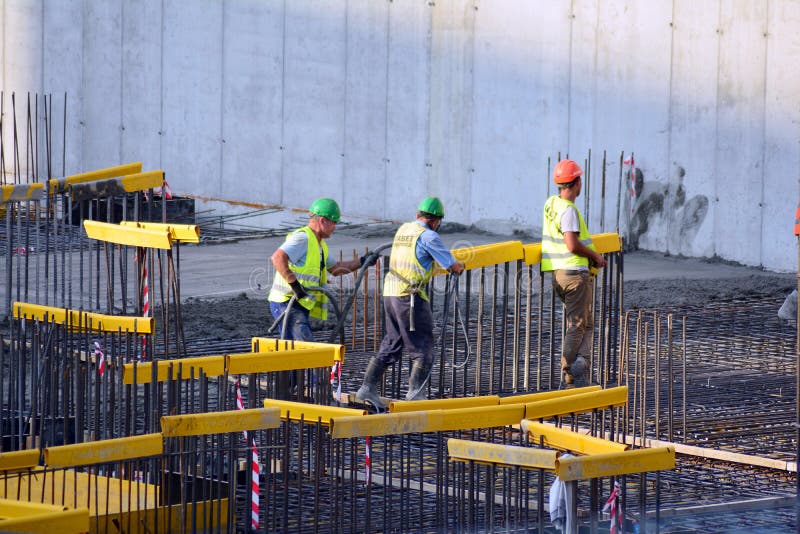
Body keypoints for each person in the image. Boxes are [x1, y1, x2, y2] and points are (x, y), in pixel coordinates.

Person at [356, 197, 465, 410]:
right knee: (422, 346)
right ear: (436, 221)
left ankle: (367, 388)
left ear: (418, 215)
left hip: (391, 293)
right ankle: (415, 394)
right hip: (410, 297)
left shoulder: (404, 230)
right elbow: (452, 265)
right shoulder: (429, 236)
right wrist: (459, 265)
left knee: (392, 342)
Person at [541, 159, 606, 388]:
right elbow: (571, 244)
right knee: (578, 325)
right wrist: (596, 256)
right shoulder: (569, 210)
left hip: (558, 273)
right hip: (574, 273)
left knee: (586, 323)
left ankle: (582, 365)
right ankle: (569, 375)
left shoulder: (551, 203)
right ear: (577, 183)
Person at [268, 197, 364, 341]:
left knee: (294, 346)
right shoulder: (303, 238)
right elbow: (277, 258)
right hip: (287, 302)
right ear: (323, 220)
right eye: (334, 222)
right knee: (304, 346)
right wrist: (295, 285)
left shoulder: (320, 245)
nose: (335, 227)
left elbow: (336, 268)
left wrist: (362, 261)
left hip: (299, 303)